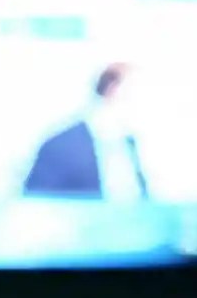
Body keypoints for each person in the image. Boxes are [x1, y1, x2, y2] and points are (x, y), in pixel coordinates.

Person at [23, 63, 149, 201]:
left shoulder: (129, 144)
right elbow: (37, 203)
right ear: (112, 90)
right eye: (135, 96)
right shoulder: (60, 147)